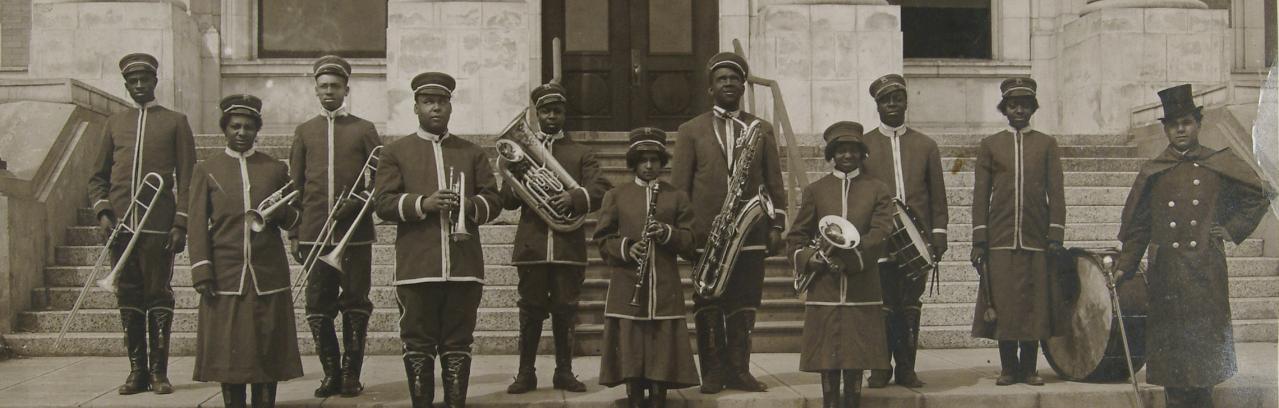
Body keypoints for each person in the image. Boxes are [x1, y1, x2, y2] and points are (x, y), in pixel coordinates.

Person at [1114, 84, 1273, 408]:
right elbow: (1139, 227)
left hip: (1205, 272)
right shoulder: (1154, 171)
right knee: (1174, 361)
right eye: (1174, 125)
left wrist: (1230, 229)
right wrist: (1124, 267)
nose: (1181, 130)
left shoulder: (1217, 164)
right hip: (1168, 276)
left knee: (1203, 358)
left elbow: (1258, 195)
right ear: (1166, 130)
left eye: (1186, 122)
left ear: (1198, 124)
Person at [374, 72, 503, 408]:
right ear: (415, 107)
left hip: (464, 266)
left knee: (458, 343)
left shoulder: (472, 152)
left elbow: (494, 201)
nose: (435, 108)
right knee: (417, 344)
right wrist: (423, 204)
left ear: (450, 106)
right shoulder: (395, 152)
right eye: (428, 101)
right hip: (416, 267)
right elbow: (383, 203)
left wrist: (469, 205)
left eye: (442, 102)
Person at [671, 52, 787, 394]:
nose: (729, 84)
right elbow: (679, 188)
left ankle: (740, 371)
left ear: (742, 86)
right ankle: (713, 373)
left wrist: (777, 225)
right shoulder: (690, 130)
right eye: (721, 79)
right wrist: (684, 231)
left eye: (735, 78)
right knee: (707, 301)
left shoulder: (761, 128)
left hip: (750, 232)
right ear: (710, 88)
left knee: (745, 300)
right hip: (706, 233)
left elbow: (774, 182)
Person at [87, 52, 196, 396]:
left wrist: (181, 224)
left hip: (159, 227)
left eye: (144, 80)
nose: (138, 86)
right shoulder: (114, 123)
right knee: (128, 296)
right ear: (126, 85)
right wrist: (103, 212)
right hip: (121, 229)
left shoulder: (176, 121)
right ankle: (137, 371)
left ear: (154, 82)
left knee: (158, 295)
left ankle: (159, 373)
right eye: (132, 81)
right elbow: (97, 178)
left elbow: (188, 178)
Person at [189, 94, 304, 408]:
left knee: (267, 346)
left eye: (248, 127)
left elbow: (295, 218)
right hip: (225, 273)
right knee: (230, 351)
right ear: (224, 128)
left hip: (268, 273)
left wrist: (283, 213)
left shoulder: (274, 169)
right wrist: (202, 270)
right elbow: (196, 225)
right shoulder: (207, 169)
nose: (241, 132)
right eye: (235, 126)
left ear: (257, 130)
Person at [502, 82, 612, 394]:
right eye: (546, 111)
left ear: (565, 114)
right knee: (530, 310)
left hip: (568, 247)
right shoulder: (521, 152)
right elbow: (506, 200)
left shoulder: (580, 152)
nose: (552, 116)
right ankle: (525, 373)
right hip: (532, 246)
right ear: (536, 115)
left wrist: (573, 197)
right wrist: (516, 180)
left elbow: (601, 188)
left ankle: (564, 371)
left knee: (566, 309)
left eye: (557, 111)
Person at [288, 55, 382, 398]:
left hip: (354, 234)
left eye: (336, 86)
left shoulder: (364, 128)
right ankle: (330, 373)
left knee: (356, 303)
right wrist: (294, 232)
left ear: (346, 90)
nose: (329, 91)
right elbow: (295, 186)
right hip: (314, 232)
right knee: (317, 305)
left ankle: (350, 374)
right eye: (324, 86)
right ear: (315, 90)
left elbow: (383, 179)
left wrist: (360, 202)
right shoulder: (304, 131)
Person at [788, 122, 895, 408]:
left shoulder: (877, 189)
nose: (847, 155)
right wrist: (809, 259)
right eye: (841, 150)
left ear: (862, 153)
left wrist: (848, 260)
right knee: (827, 355)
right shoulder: (816, 190)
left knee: (857, 354)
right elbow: (796, 236)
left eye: (853, 150)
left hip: (862, 284)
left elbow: (880, 233)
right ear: (832, 154)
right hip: (825, 286)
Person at [969, 77, 1066, 386]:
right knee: (1006, 305)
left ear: (1033, 108)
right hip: (999, 238)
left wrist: (1055, 234)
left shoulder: (1046, 144)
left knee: (1033, 305)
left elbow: (1057, 193)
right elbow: (980, 195)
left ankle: (1030, 368)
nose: (1019, 110)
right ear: (1005, 109)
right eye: (1013, 105)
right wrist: (980, 239)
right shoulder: (990, 145)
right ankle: (1009, 368)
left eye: (1025, 105)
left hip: (1036, 237)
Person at [595, 127, 700, 408]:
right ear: (634, 163)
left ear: (662, 162)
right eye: (643, 160)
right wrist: (627, 248)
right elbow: (602, 240)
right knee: (630, 343)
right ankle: (634, 396)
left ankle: (658, 396)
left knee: (662, 345)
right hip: (627, 283)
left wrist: (667, 233)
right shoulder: (617, 195)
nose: (650, 165)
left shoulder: (677, 196)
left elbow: (690, 242)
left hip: (664, 286)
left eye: (655, 159)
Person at [860, 74, 949, 388]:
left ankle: (906, 368)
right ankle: (880, 367)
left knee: (910, 303)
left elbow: (937, 194)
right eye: (886, 100)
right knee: (882, 303)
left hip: (918, 240)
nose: (893, 105)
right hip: (880, 239)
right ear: (877, 105)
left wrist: (938, 234)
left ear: (906, 102)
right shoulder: (865, 145)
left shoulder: (926, 145)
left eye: (898, 98)